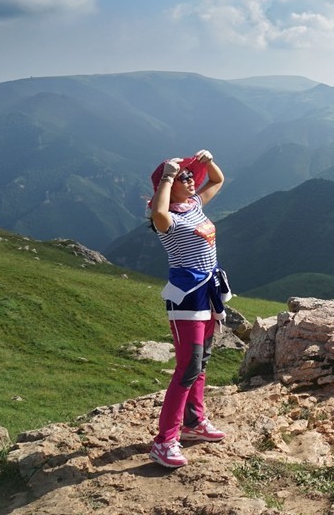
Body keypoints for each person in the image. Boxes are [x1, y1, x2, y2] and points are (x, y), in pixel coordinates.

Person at [145, 149, 231, 469]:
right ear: (168, 185)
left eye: (190, 175)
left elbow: (218, 179)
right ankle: (164, 441)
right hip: (186, 299)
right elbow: (159, 211)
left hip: (209, 291)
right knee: (187, 367)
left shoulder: (193, 205)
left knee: (201, 362)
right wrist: (168, 176)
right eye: (184, 177)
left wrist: (205, 162)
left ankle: (194, 422)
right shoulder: (166, 219)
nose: (191, 179)